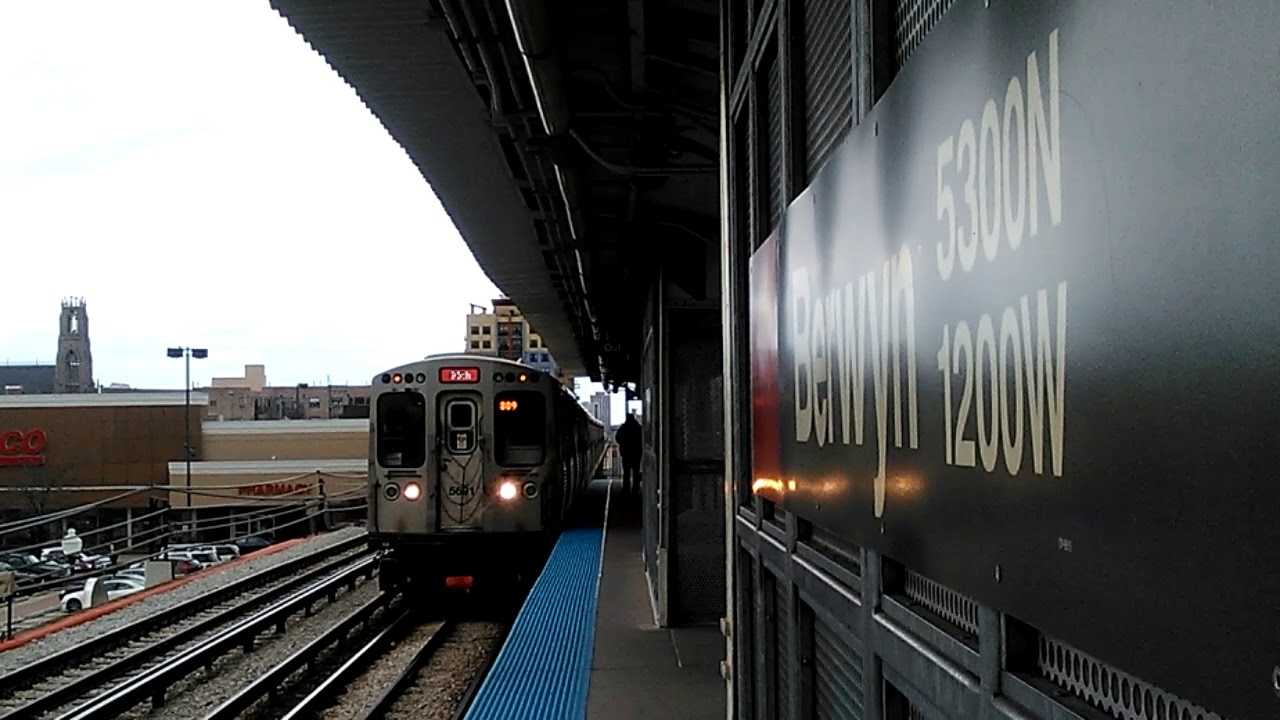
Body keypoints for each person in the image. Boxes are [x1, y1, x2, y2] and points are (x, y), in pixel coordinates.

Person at [615, 413, 642, 496]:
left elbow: (617, 438)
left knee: (626, 473)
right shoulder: (638, 427)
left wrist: (624, 443)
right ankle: (635, 490)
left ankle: (626, 489)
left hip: (626, 454)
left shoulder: (623, 428)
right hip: (636, 454)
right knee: (636, 473)